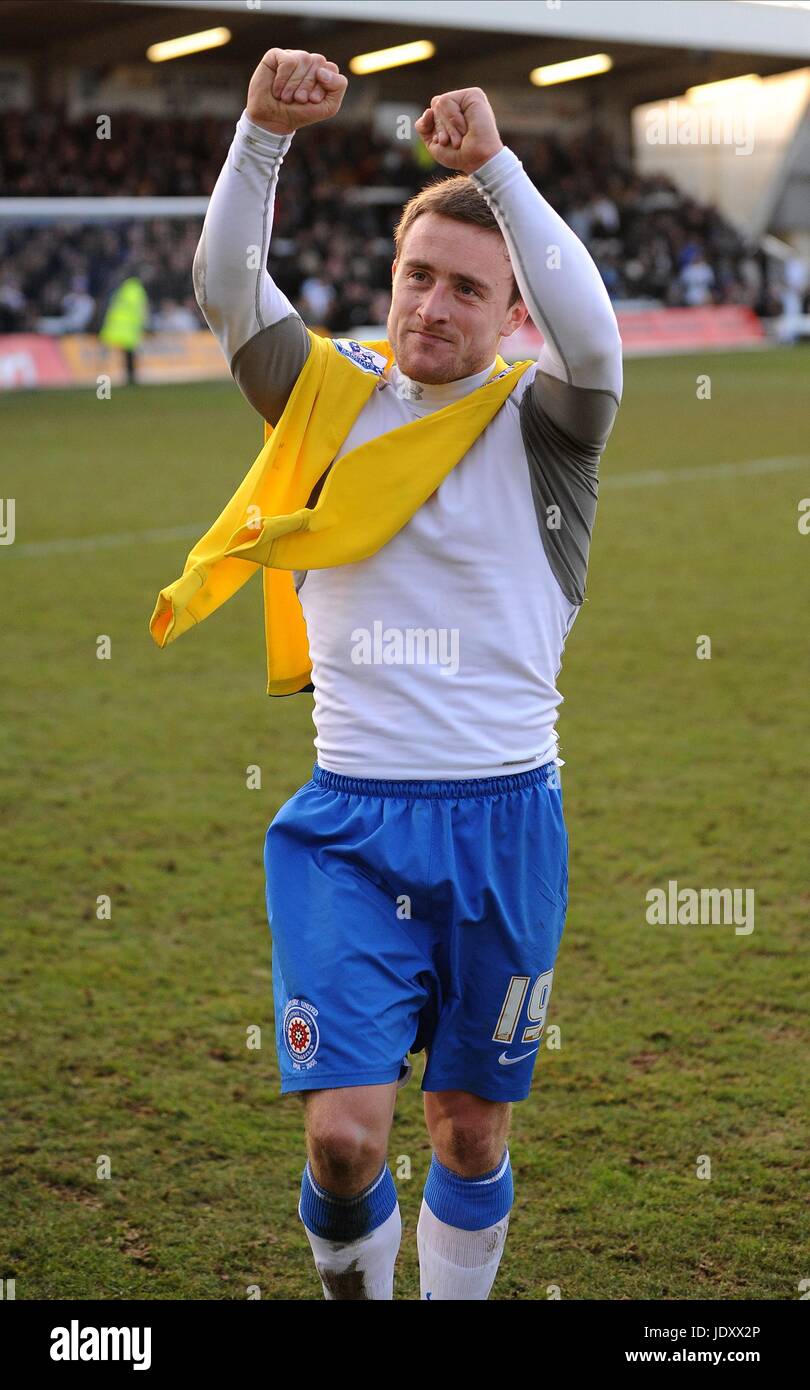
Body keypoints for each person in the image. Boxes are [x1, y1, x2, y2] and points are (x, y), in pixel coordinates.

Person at [192, 47, 622, 1300]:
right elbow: (228, 286)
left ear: (510, 317)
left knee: (471, 1131)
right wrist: (259, 135)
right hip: (352, 826)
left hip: (505, 823)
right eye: (416, 276)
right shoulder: (324, 403)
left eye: (467, 289)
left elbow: (594, 330)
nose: (433, 305)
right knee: (342, 1136)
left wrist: (493, 163)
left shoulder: (546, 429)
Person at [99, 269, 148, 384]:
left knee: (122, 353)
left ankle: (104, 376)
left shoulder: (122, 288)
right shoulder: (137, 289)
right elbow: (141, 308)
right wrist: (144, 324)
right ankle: (130, 377)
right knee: (129, 354)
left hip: (116, 326)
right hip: (128, 328)